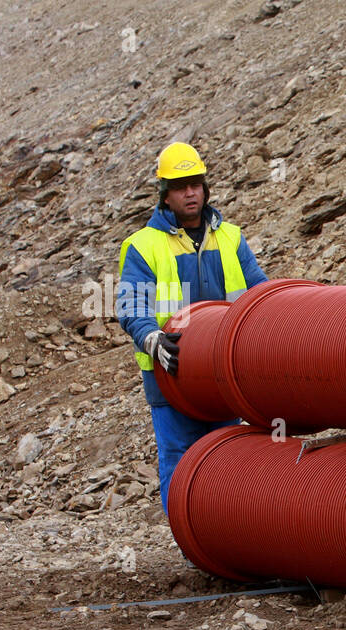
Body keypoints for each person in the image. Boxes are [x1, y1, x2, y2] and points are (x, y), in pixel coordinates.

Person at [116, 142, 267, 514]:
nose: (190, 192)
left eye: (195, 184)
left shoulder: (229, 237)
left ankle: (226, 535)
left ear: (205, 188)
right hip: (171, 369)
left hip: (222, 370)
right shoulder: (143, 246)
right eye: (181, 186)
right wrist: (150, 337)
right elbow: (131, 303)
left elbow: (261, 291)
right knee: (180, 459)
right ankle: (190, 538)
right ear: (165, 195)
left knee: (227, 456)